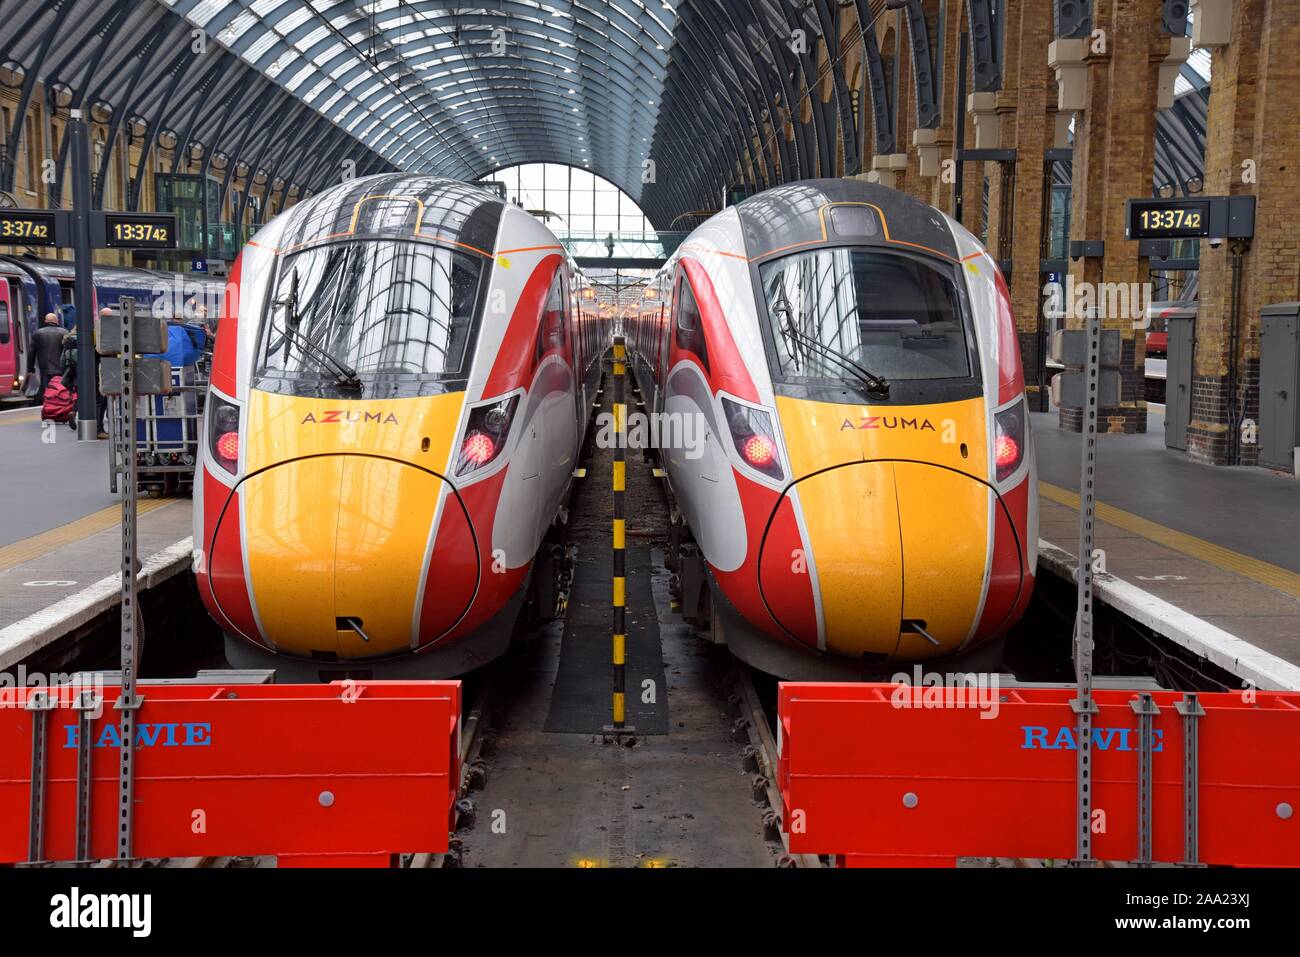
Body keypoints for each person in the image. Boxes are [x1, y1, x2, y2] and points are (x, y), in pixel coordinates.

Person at [61, 315, 108, 439]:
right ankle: (98, 429)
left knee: (83, 396)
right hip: (93, 373)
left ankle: (74, 410)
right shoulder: (91, 339)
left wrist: (66, 373)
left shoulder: (69, 339)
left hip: (76, 373)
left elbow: (63, 359)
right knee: (99, 401)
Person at [28, 313, 66, 405]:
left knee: (47, 389)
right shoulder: (64, 332)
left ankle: (49, 407)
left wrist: (30, 368)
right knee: (61, 388)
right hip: (61, 368)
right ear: (56, 321)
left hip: (45, 368)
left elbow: (31, 352)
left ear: (45, 321)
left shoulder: (38, 333)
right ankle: (60, 406)